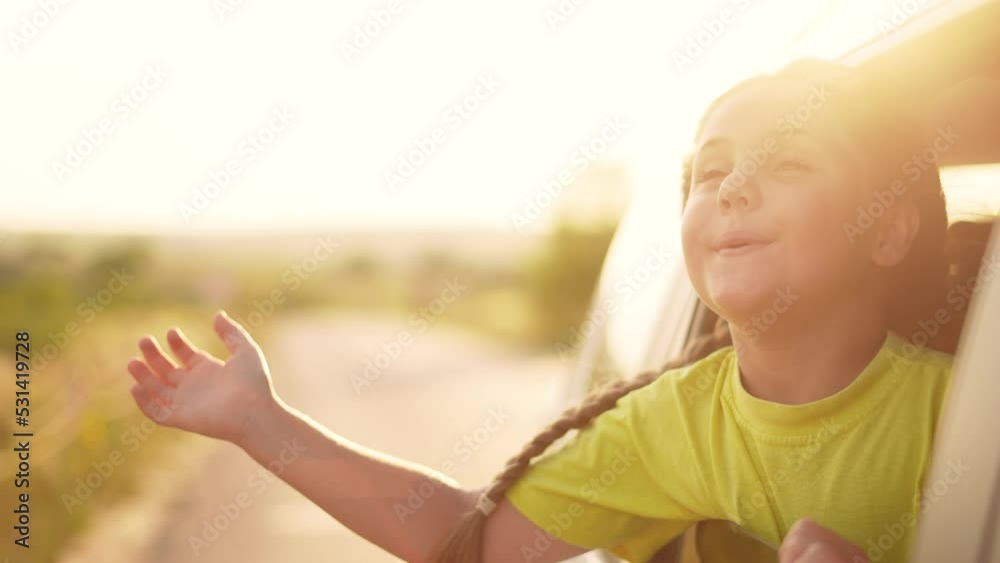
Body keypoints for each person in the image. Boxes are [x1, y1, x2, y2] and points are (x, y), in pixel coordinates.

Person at [125, 59, 956, 563]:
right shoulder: (665, 426)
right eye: (711, 171)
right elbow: (467, 539)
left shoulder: (961, 411)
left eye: (791, 164)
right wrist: (258, 421)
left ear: (884, 231)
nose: (733, 187)